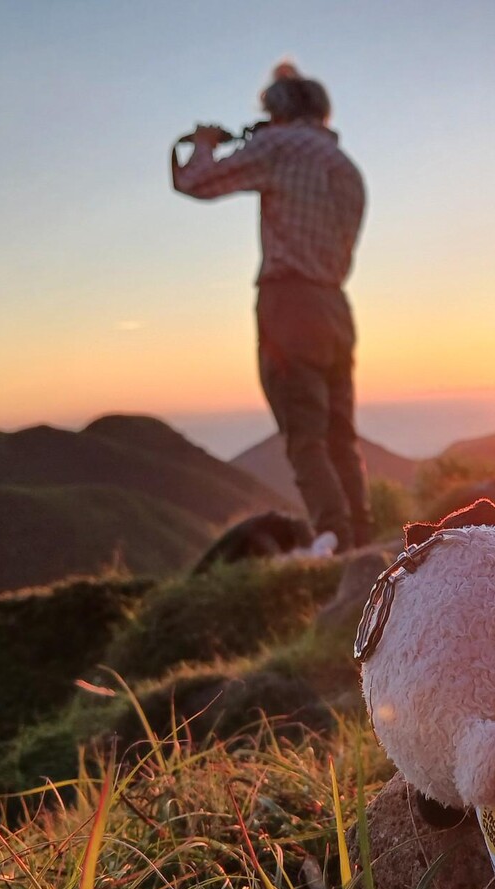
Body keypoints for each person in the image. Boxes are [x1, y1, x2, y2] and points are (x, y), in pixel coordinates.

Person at [172, 62, 371, 552]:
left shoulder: (278, 148)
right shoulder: (347, 168)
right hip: (335, 306)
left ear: (278, 112)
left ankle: (334, 543)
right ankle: (364, 541)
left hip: (290, 302)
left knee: (304, 434)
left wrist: (202, 140)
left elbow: (196, 181)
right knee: (339, 434)